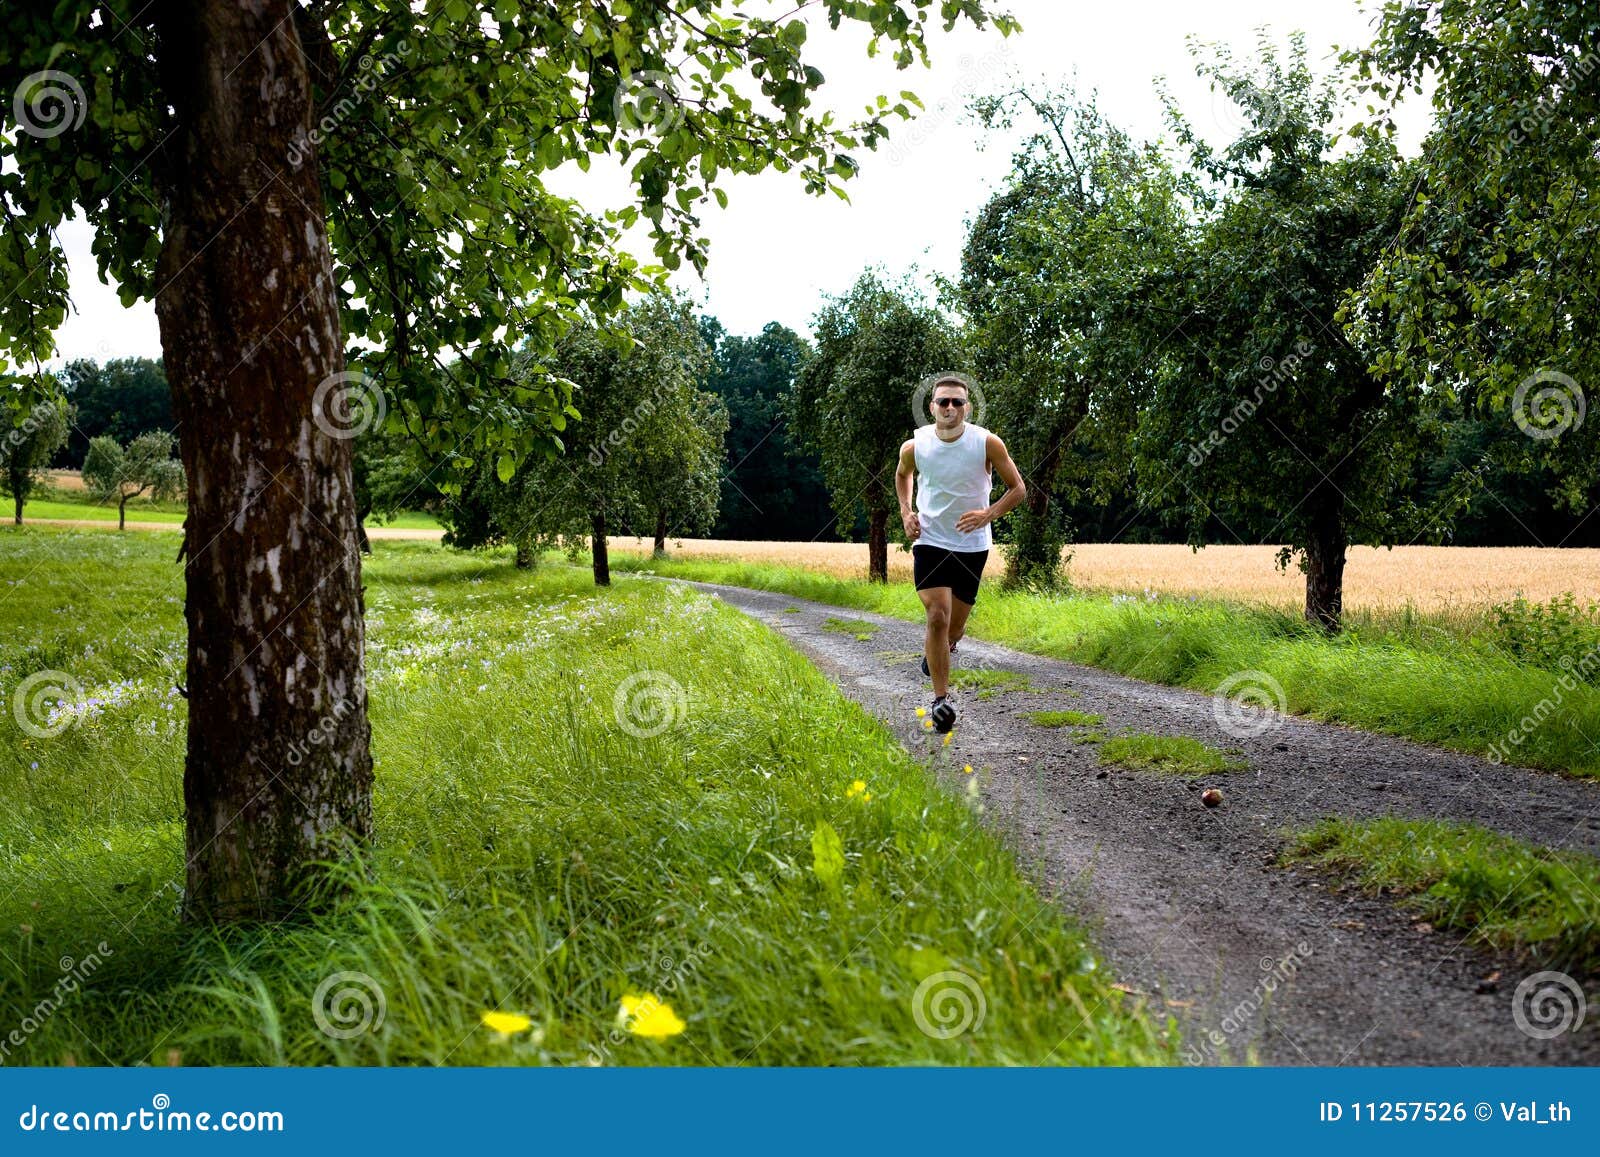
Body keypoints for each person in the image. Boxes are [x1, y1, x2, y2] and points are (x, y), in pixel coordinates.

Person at [894, 375, 1026, 733]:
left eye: (957, 402)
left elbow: (1018, 489)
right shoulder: (915, 446)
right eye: (943, 402)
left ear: (967, 407)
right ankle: (941, 701)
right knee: (937, 615)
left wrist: (988, 513)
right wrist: (907, 512)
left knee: (953, 630)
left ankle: (941, 650)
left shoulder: (986, 443)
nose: (950, 408)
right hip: (930, 540)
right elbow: (902, 475)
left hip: (971, 546)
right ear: (932, 407)